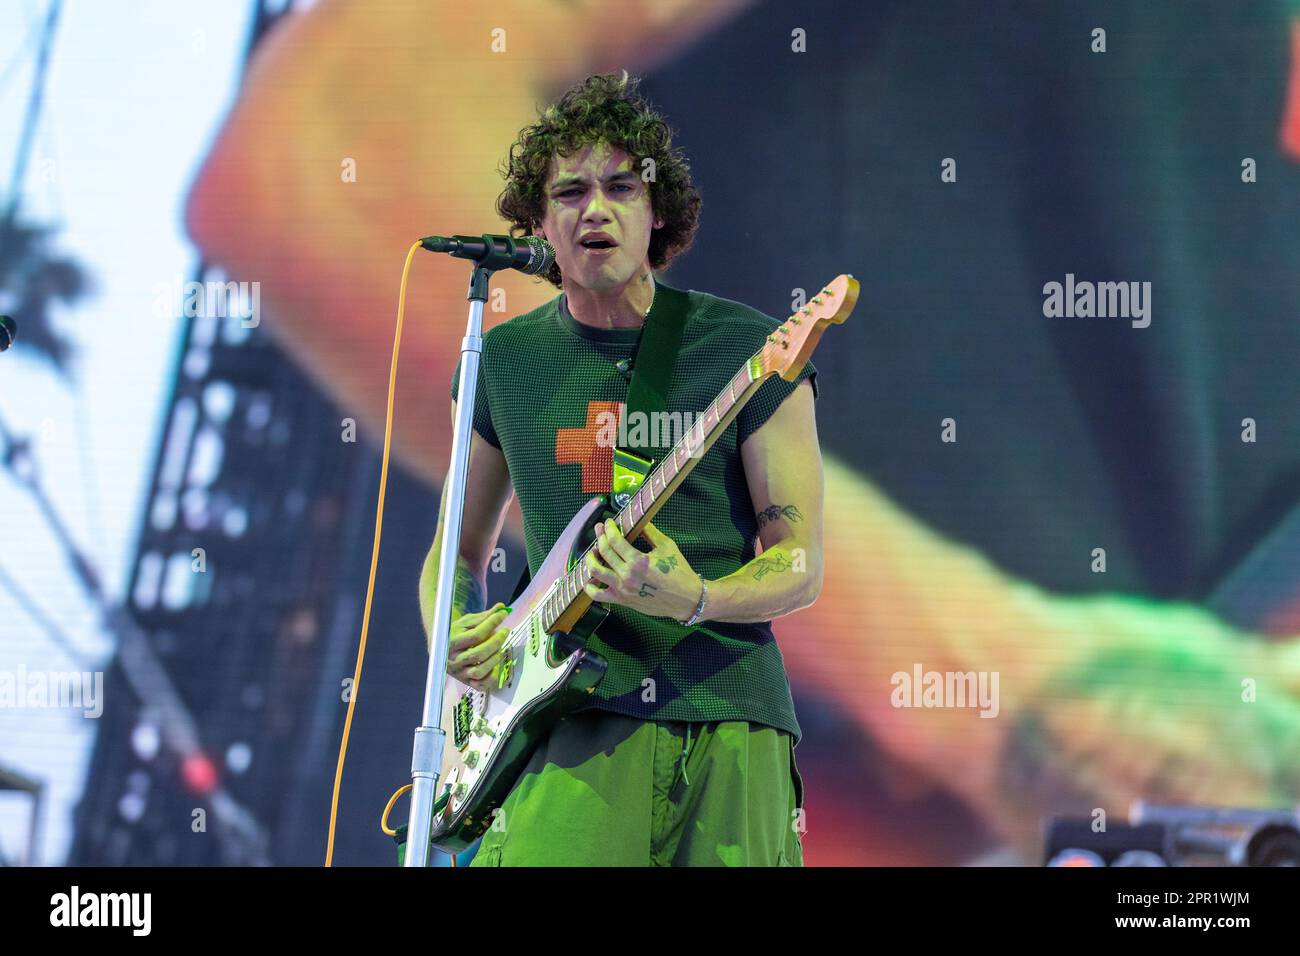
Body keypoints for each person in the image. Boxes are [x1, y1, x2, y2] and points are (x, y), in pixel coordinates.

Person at [418, 71, 822, 866]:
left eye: (621, 188)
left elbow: (800, 561)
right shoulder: (504, 359)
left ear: (658, 212)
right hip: (562, 719)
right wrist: (450, 636)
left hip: (727, 710)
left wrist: (698, 596)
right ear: (537, 222)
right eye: (568, 192)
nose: (594, 208)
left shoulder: (749, 347)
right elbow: (454, 554)